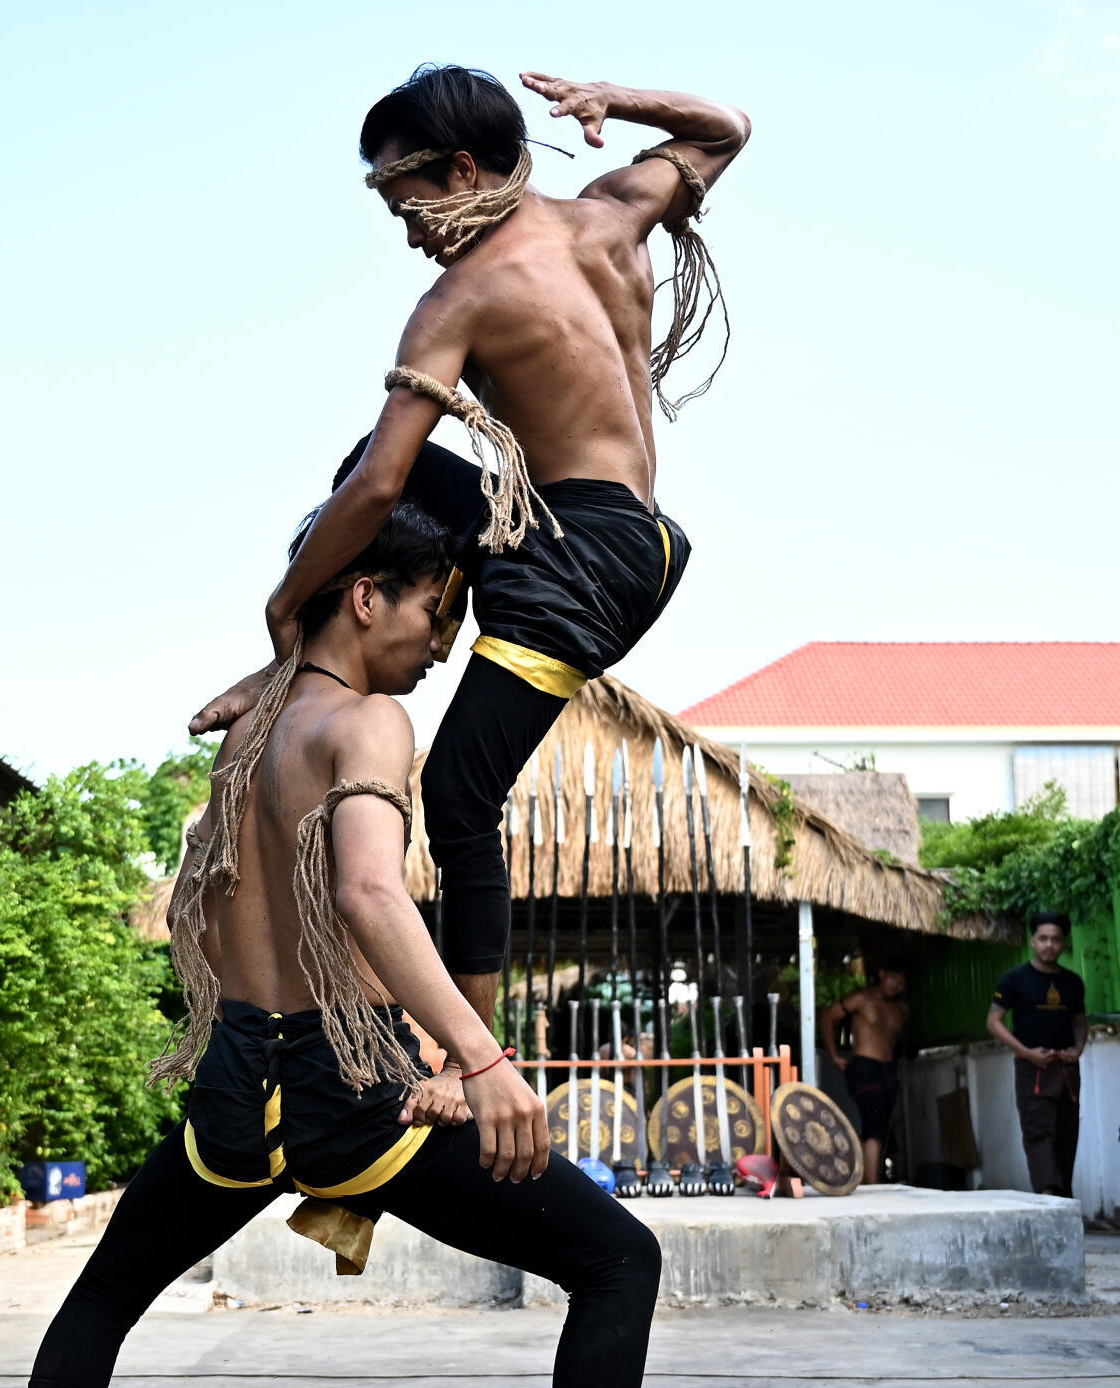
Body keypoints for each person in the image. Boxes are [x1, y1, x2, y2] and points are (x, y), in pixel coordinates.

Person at [0, 505, 718, 1388]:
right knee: (615, 1260)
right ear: (366, 597)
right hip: (350, 1093)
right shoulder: (370, 725)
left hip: (232, 1092)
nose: (443, 642)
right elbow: (366, 890)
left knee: (108, 1288)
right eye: (434, 610)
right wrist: (481, 1059)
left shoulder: (246, 735)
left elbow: (206, 913)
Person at [189, 65, 751, 1036]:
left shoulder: (463, 297)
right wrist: (613, 102)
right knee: (370, 460)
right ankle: (345, 650)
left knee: (455, 793)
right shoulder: (610, 214)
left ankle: (467, 1062)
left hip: (577, 559)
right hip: (604, 529)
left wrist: (285, 609)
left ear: (457, 170)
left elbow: (375, 492)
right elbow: (724, 127)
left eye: (407, 206)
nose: (407, 234)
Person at [986, 913, 1088, 1199]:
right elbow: (993, 1022)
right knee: (1038, 1131)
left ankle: (1064, 1198)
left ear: (1064, 944)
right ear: (1033, 941)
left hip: (1066, 1070)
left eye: (1056, 939)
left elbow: (1080, 1022)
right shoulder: (1014, 980)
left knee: (1067, 1133)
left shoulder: (1072, 983)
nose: (1049, 945)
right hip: (1033, 1069)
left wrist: (1077, 1050)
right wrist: (1027, 1053)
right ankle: (1047, 1194)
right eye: (1043, 938)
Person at [821, 963, 908, 1188]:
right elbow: (828, 1017)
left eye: (900, 982)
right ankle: (872, 1184)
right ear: (882, 973)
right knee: (875, 1123)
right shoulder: (862, 998)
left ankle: (870, 1177)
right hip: (863, 1067)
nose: (895, 985)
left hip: (888, 1069)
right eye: (892, 978)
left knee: (883, 1127)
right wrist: (833, 1054)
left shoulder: (902, 1009)